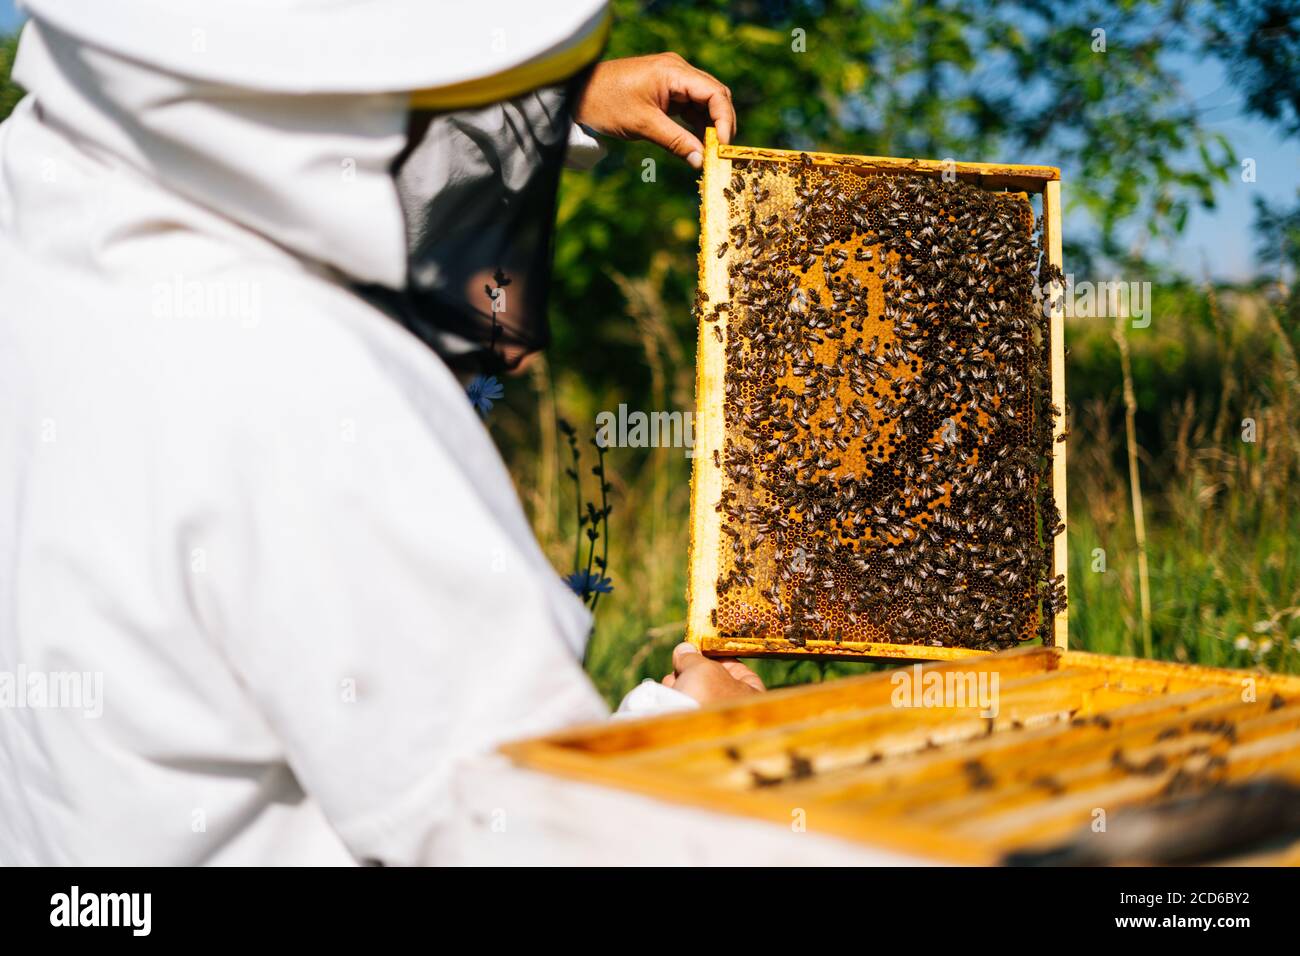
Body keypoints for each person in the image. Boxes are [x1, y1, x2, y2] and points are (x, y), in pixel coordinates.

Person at [0, 0, 760, 866]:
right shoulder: (316, 397)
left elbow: (287, 137)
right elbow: (529, 838)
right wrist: (697, 738)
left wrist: (553, 103)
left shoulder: (37, 183)